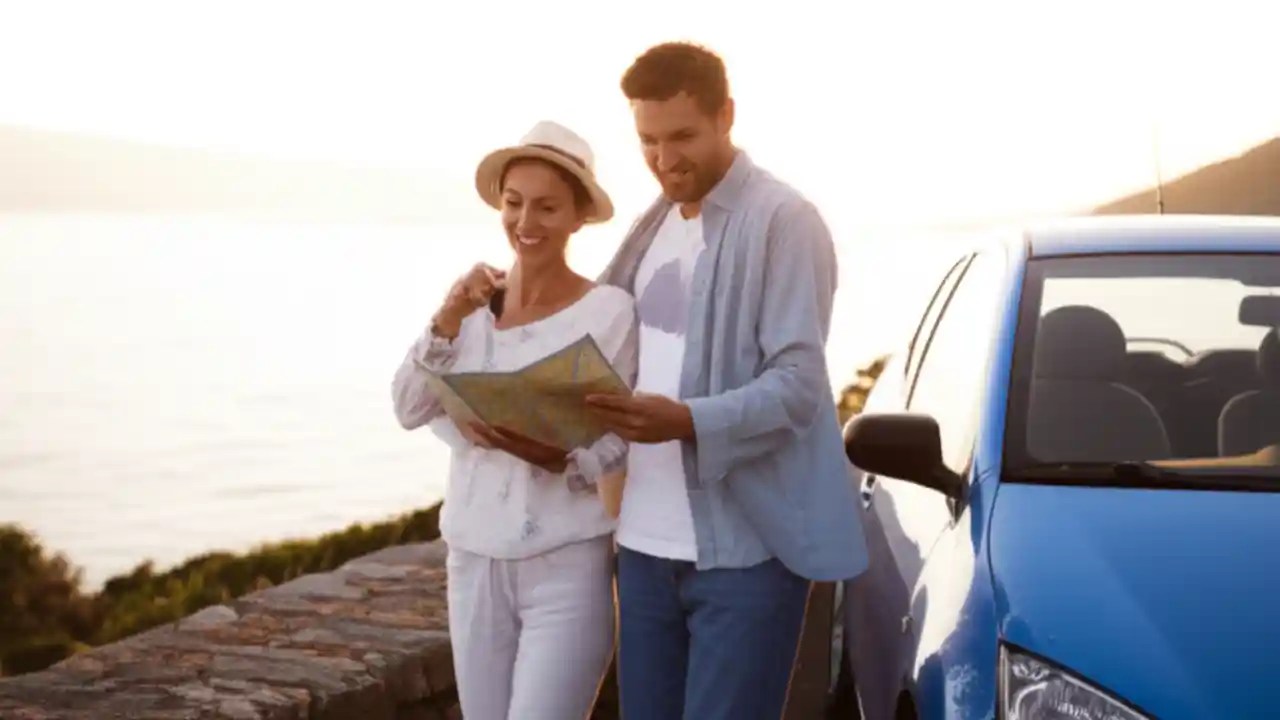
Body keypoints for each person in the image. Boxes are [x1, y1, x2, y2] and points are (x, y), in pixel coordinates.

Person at [584, 42, 870, 719]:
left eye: (681, 136)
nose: (664, 159)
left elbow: (799, 385)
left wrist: (685, 421)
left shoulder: (785, 221)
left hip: (745, 555)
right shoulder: (652, 224)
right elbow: (600, 343)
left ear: (726, 116)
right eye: (648, 141)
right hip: (642, 548)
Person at [391, 120, 637, 720]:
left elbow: (623, 439)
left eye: (547, 207)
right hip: (472, 559)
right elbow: (408, 407)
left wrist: (563, 458)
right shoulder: (470, 313)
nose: (526, 222)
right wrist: (448, 315)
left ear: (578, 217)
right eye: (514, 203)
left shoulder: (609, 312)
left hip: (565, 565)